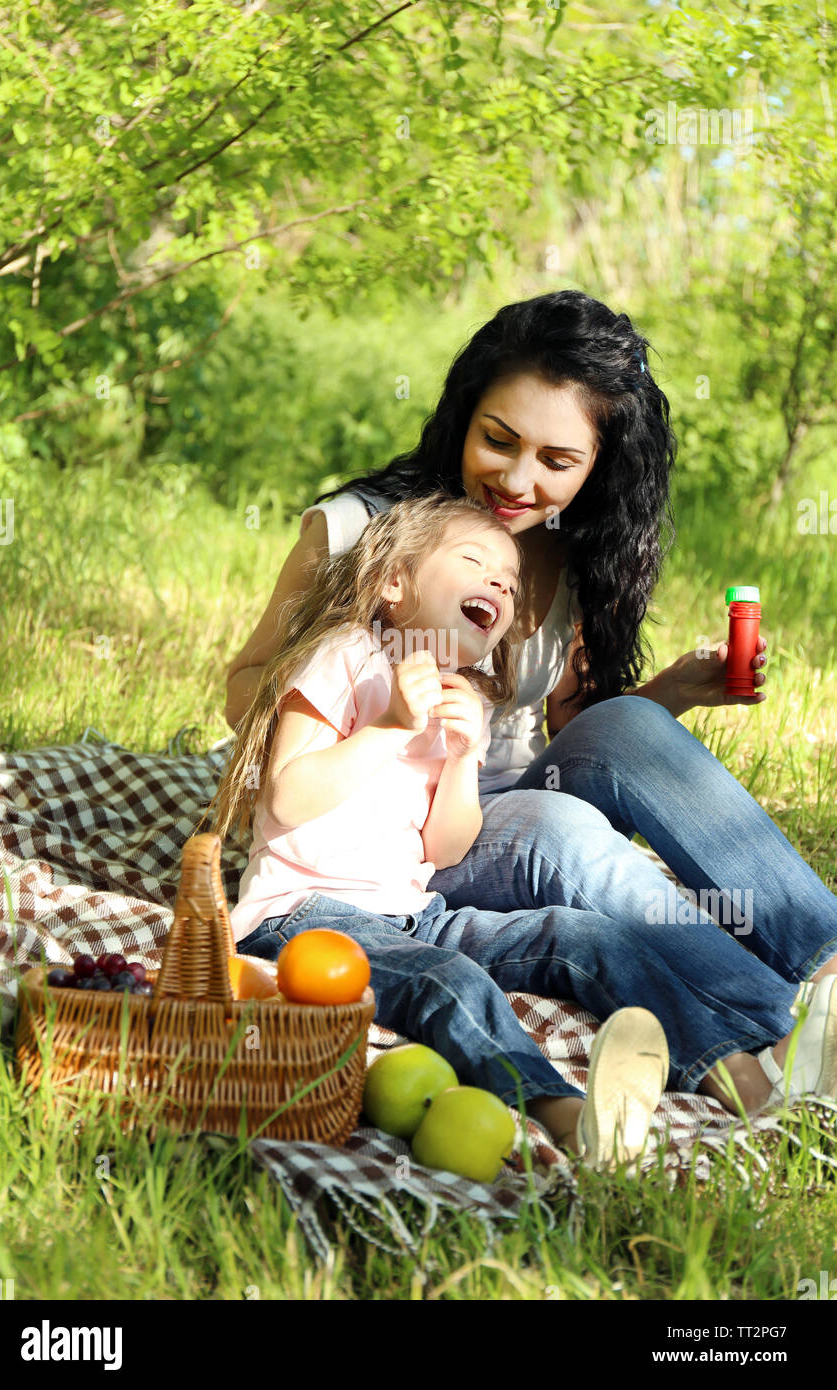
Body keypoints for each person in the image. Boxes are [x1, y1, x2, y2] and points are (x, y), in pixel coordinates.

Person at [224, 289, 837, 1117]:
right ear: (462, 417)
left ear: (598, 467)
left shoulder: (567, 556)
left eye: (557, 461)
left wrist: (672, 697)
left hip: (480, 798)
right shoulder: (362, 533)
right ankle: (774, 1034)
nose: (516, 480)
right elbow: (246, 695)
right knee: (562, 831)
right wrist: (375, 688)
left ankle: (827, 970)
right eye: (497, 440)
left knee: (625, 725)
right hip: (387, 830)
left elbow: (566, 739)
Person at [203, 493, 836, 1175]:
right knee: (447, 981)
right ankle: (561, 1112)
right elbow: (287, 797)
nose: (500, 584)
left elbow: (444, 850)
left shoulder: (462, 697)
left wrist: (459, 760)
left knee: (580, 935)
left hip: (416, 911)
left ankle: (745, 1069)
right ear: (393, 583)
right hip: (305, 917)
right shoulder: (347, 655)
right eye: (474, 562)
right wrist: (388, 728)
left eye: (507, 580)